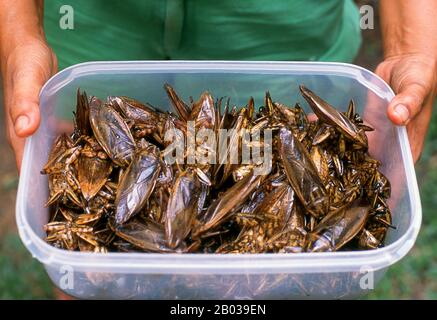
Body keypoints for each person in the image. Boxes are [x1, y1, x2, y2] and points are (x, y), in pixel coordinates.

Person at [1, 0, 436, 169]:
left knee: (271, 279)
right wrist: (20, 33)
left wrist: (409, 45)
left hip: (287, 62)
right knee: (96, 271)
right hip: (91, 55)